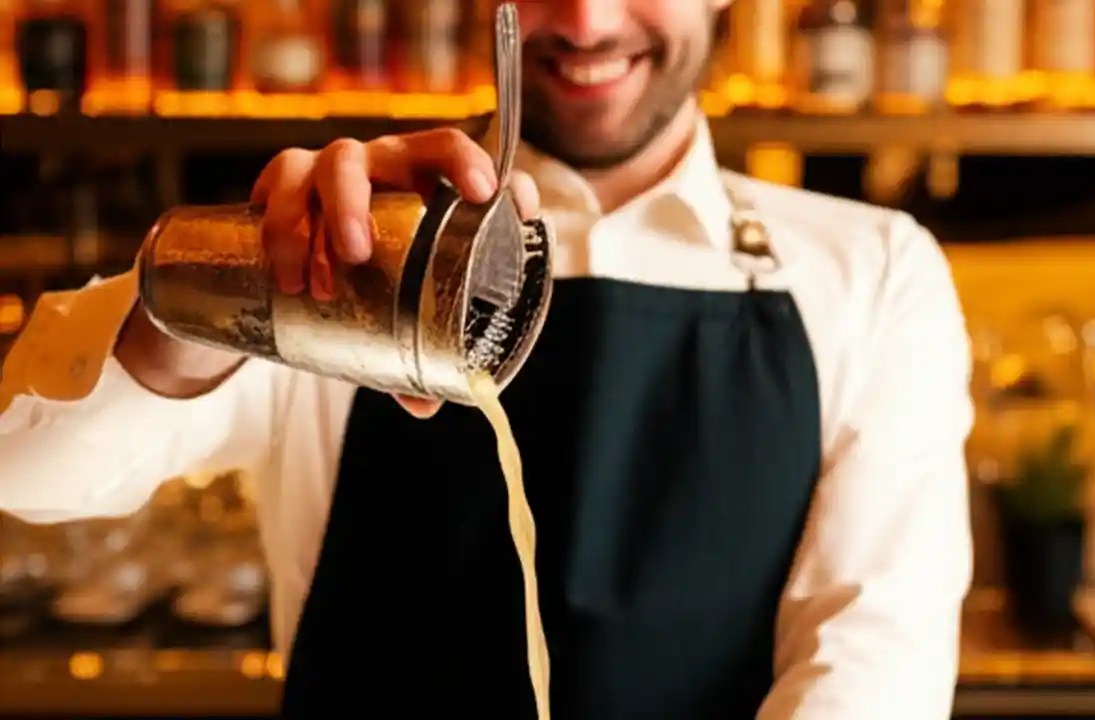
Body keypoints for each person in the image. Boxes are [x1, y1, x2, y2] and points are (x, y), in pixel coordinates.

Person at [0, 0, 975, 717]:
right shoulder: (348, 242)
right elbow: (29, 470)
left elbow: (869, 666)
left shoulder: (872, 274)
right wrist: (238, 279)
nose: (586, 21)